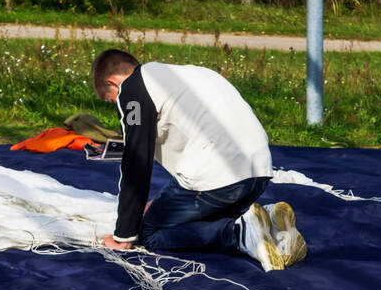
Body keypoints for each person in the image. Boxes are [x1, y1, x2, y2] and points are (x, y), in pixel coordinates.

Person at [90, 49, 307, 271]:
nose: (117, 106)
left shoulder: (132, 88)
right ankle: (274, 229)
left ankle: (239, 233)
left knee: (149, 232)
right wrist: (161, 204)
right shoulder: (187, 75)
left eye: (111, 100)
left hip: (217, 177)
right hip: (258, 173)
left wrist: (124, 234)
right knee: (185, 217)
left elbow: (136, 162)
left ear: (114, 82)